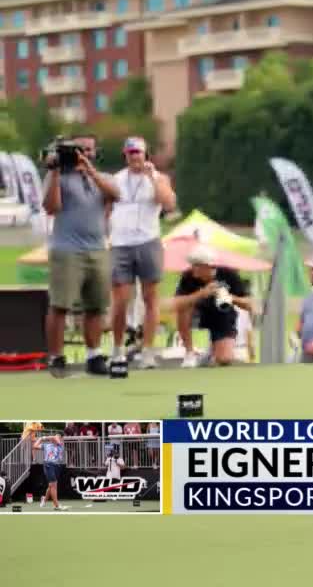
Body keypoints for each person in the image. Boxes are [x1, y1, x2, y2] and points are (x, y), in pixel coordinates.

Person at [42, 134, 121, 378]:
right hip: (66, 250)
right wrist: (55, 172)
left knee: (96, 306)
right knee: (60, 305)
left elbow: (115, 194)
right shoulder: (59, 177)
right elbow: (51, 207)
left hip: (97, 248)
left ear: (95, 152)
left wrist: (89, 171)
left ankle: (94, 355)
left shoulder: (103, 177)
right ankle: (56, 356)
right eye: (79, 149)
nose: (83, 153)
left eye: (88, 150)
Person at [107, 136, 176, 372]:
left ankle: (147, 351)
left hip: (148, 241)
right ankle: (117, 349)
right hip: (120, 243)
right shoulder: (115, 180)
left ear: (146, 155)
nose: (135, 157)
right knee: (120, 299)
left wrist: (151, 177)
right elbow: (106, 210)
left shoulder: (158, 178)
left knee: (150, 298)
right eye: (130, 153)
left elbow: (168, 204)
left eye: (138, 152)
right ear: (125, 155)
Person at [169, 246, 253, 367]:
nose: (193, 268)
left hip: (221, 313)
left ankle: (211, 352)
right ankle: (190, 353)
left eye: (196, 265)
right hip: (198, 311)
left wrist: (230, 298)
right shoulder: (188, 276)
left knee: (225, 359)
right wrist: (201, 294)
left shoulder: (228, 274)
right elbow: (176, 303)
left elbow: (249, 304)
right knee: (184, 307)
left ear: (207, 266)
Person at [33, 433, 68, 511]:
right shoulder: (46, 445)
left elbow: (55, 438)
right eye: (55, 437)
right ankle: (56, 505)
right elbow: (35, 446)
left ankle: (44, 499)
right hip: (48, 465)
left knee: (51, 485)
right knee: (53, 485)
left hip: (57, 466)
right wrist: (40, 439)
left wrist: (45, 437)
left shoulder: (60, 444)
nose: (56, 438)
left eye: (58, 437)